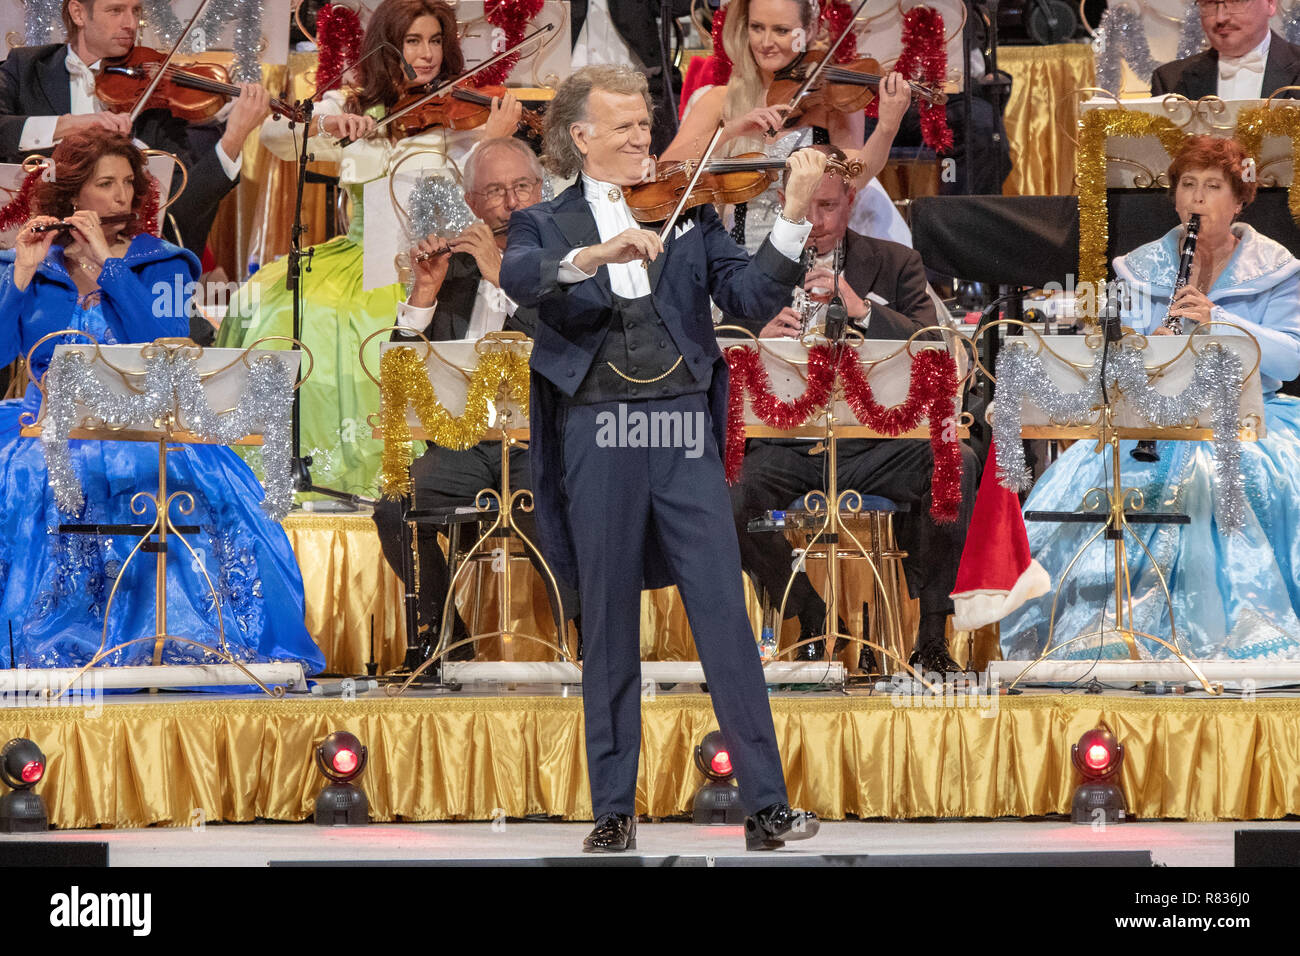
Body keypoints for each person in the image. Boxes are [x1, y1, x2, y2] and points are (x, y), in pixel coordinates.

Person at [502, 64, 826, 853]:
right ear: (580, 138)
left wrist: (790, 215)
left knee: (724, 610)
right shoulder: (546, 222)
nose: (642, 138)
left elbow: (749, 299)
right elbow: (520, 281)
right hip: (598, 428)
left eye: (645, 124)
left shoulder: (690, 210)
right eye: (623, 127)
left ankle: (767, 805)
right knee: (608, 614)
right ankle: (613, 809)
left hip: (680, 426)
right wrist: (596, 253)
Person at [0, 129, 324, 675]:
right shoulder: (34, 262)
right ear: (73, 193)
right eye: (105, 184)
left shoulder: (165, 262)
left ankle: (178, 638)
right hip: (47, 424)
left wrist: (110, 265)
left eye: (128, 183)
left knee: (169, 478)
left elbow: (166, 344)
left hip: (151, 423)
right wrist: (22, 272)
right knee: (27, 477)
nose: (121, 195)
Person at [1001, 136, 1300, 661]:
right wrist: (1150, 343)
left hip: (1250, 413)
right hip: (1152, 416)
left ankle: (1226, 636)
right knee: (1088, 477)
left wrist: (1219, 320)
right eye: (1188, 185)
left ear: (1239, 200)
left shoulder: (1275, 267)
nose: (1197, 199)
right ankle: (1105, 629)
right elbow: (1112, 359)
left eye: (1213, 187)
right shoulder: (1138, 267)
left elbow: (1291, 359)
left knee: (1220, 476)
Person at [219, 0, 522, 500]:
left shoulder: (465, 119)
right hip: (355, 256)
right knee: (287, 310)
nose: (425, 56)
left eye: (435, 41)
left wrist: (490, 144)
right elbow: (274, 133)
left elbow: (465, 212)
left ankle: (410, 478)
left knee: (382, 324)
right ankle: (293, 471)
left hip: (433, 265)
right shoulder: (353, 103)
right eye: (412, 42)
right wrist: (325, 126)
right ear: (388, 47)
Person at [727, 145, 978, 674]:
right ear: (782, 201)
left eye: (829, 207)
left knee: (958, 463)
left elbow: (935, 343)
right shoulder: (762, 269)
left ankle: (932, 636)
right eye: (807, 206)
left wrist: (861, 307)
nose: (817, 221)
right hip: (790, 442)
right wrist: (758, 338)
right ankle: (808, 612)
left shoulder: (894, 261)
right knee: (726, 491)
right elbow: (722, 342)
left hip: (877, 444)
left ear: (851, 200)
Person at [371, 137, 579, 659]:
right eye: (494, 192)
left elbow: (569, 352)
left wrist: (502, 276)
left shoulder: (569, 267)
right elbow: (401, 379)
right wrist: (423, 295)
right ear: (471, 204)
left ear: (542, 192)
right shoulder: (451, 272)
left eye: (522, 188)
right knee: (395, 507)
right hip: (463, 445)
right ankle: (448, 639)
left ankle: (584, 646)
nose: (511, 203)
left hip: (541, 445)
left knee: (559, 509)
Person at [0, 0, 272, 259]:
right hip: (30, 250)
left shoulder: (154, 96)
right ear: (78, 13)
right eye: (116, 10)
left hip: (120, 261)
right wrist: (71, 124)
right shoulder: (26, 67)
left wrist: (233, 139)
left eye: (136, 10)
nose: (131, 23)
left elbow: (182, 208)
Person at [663, 0, 912, 251]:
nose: (766, 42)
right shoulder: (718, 100)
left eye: (781, 30)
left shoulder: (831, 99)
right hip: (739, 262)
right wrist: (728, 132)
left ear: (810, 31)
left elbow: (855, 177)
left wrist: (886, 129)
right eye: (757, 27)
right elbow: (666, 172)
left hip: (812, 255)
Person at [1150, 0, 1300, 100]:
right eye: (1209, 2)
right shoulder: (1169, 80)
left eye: (1235, 1)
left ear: (1270, 4)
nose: (1221, 18)